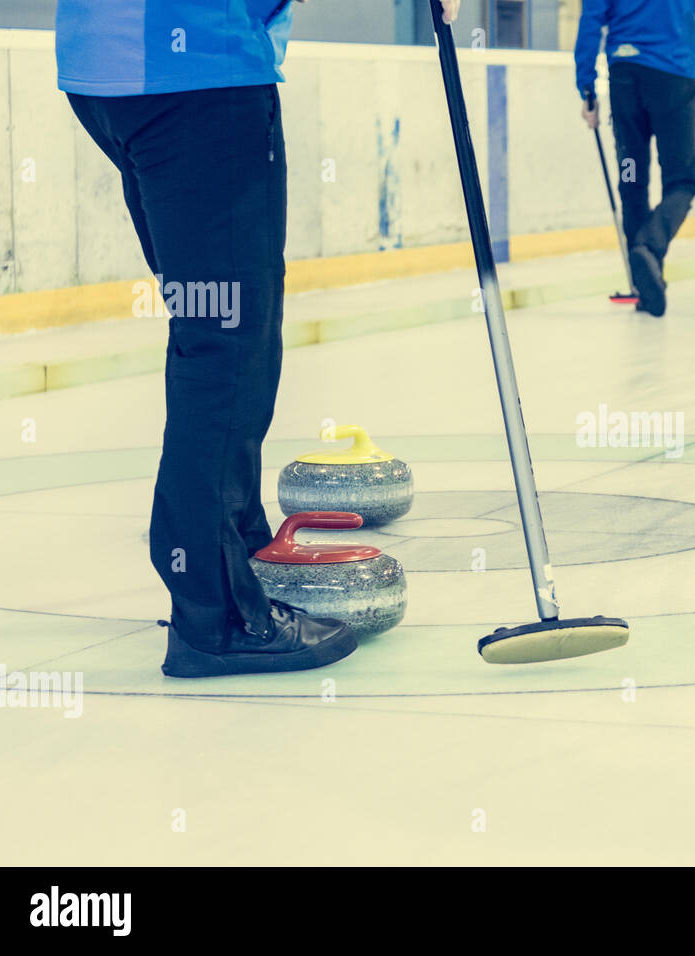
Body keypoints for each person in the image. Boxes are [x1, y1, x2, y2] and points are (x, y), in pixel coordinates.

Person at [54, 0, 460, 677]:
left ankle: (236, 549)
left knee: (210, 321)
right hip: (199, 72)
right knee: (228, 343)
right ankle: (217, 617)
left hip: (107, 69)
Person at [575, 0, 695, 318]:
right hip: (673, 80)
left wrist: (587, 88)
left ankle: (645, 286)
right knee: (682, 182)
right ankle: (649, 246)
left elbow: (591, 19)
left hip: (625, 81)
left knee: (631, 178)